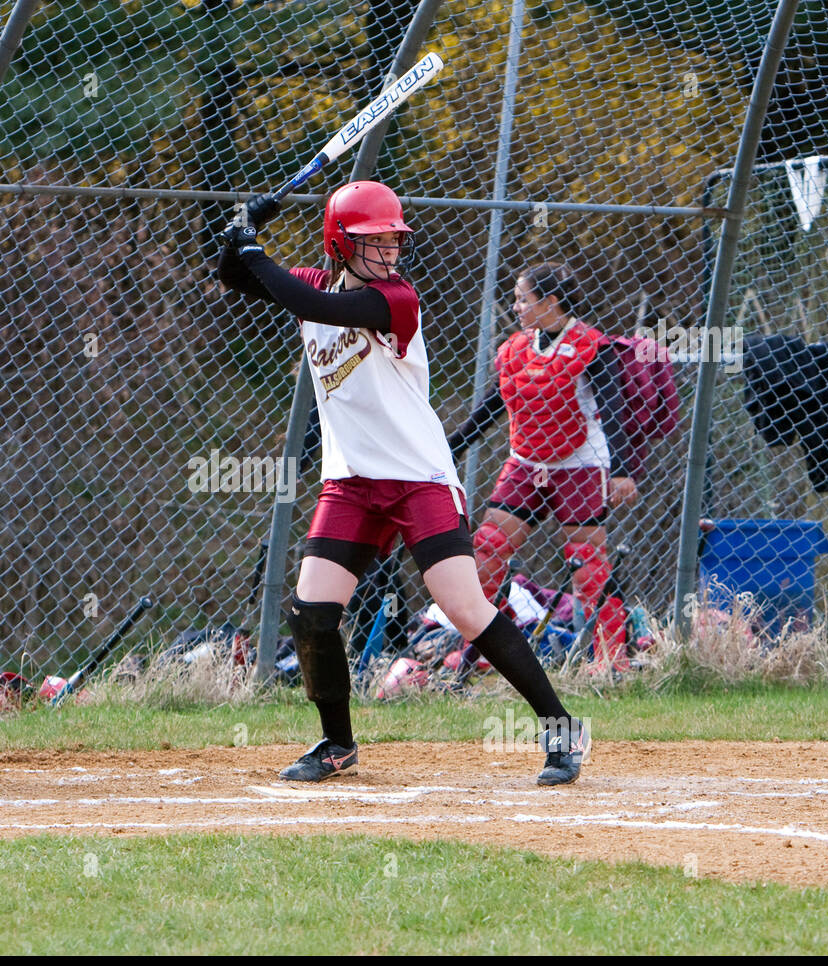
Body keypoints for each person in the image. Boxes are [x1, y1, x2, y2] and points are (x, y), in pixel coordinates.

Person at [216, 181, 590, 785]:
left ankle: (562, 731)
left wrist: (254, 250)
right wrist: (245, 224)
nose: (389, 251)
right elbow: (236, 275)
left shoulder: (393, 298)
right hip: (352, 482)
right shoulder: (316, 282)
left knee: (465, 608)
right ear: (341, 244)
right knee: (311, 614)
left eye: (394, 240)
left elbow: (312, 307)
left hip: (418, 479)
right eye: (374, 241)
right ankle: (337, 744)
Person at [447, 263, 637, 664]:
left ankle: (611, 658)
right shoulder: (517, 348)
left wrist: (621, 470)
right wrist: (450, 449)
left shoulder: (591, 347)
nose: (516, 306)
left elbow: (613, 411)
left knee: (587, 562)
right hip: (526, 462)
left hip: (580, 464)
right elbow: (491, 407)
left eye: (523, 298)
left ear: (550, 301)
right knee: (488, 546)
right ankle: (480, 652)